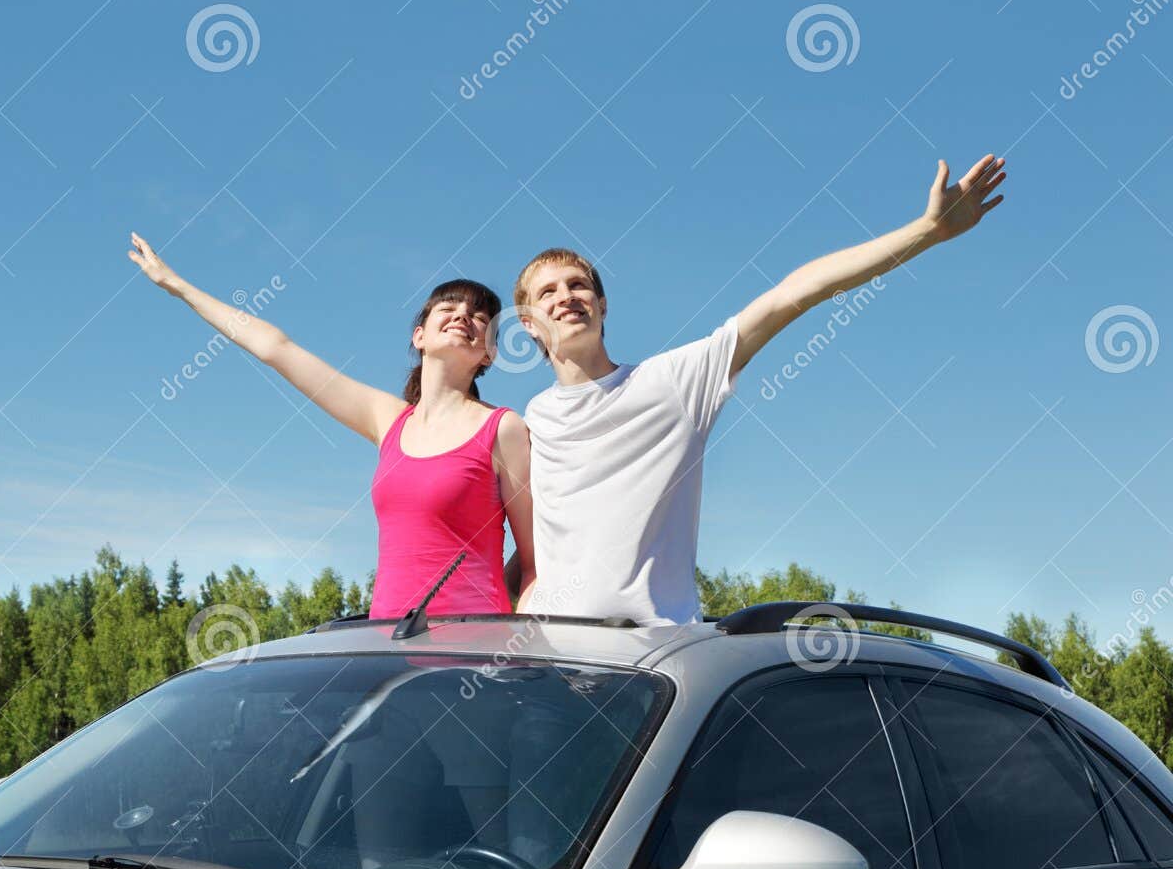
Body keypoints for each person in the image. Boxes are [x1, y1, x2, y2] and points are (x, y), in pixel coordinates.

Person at [513, 154, 1008, 624]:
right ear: (528, 322)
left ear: (601, 304)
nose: (566, 297)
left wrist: (925, 232)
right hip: (552, 659)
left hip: (649, 659)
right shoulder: (529, 421)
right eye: (548, 292)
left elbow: (792, 295)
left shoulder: (673, 382)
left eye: (578, 285)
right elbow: (528, 544)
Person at [127, 232, 536, 616]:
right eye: (448, 308)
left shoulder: (503, 429)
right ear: (419, 336)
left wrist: (516, 650)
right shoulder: (388, 419)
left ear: (489, 353)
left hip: (476, 653)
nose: (463, 315)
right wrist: (178, 286)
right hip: (389, 646)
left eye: (480, 316)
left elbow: (534, 561)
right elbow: (277, 348)